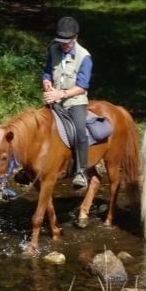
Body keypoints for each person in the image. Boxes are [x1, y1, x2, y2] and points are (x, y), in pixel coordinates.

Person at [42, 16, 93, 190]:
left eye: (67, 42)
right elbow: (47, 72)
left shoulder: (84, 57)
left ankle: (82, 172)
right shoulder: (52, 50)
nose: (63, 45)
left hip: (75, 101)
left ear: (75, 38)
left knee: (80, 132)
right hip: (54, 98)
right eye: (61, 42)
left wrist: (61, 93)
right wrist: (47, 82)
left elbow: (82, 86)